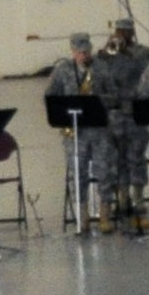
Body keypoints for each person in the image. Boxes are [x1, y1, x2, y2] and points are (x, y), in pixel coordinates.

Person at [45, 31, 118, 228]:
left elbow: (114, 95)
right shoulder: (62, 70)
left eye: (87, 52)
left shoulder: (101, 68)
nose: (84, 56)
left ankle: (105, 215)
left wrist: (98, 99)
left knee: (104, 171)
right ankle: (82, 216)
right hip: (74, 131)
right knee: (78, 173)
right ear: (73, 51)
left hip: (99, 130)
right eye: (80, 52)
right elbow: (50, 95)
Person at [99, 18, 149, 222]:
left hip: (135, 110)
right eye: (119, 31)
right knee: (117, 157)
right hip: (115, 112)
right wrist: (106, 53)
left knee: (136, 155)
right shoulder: (108, 53)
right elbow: (99, 73)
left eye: (125, 31)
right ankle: (122, 198)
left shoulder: (143, 52)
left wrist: (128, 54)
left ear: (132, 32)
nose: (121, 35)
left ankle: (139, 197)